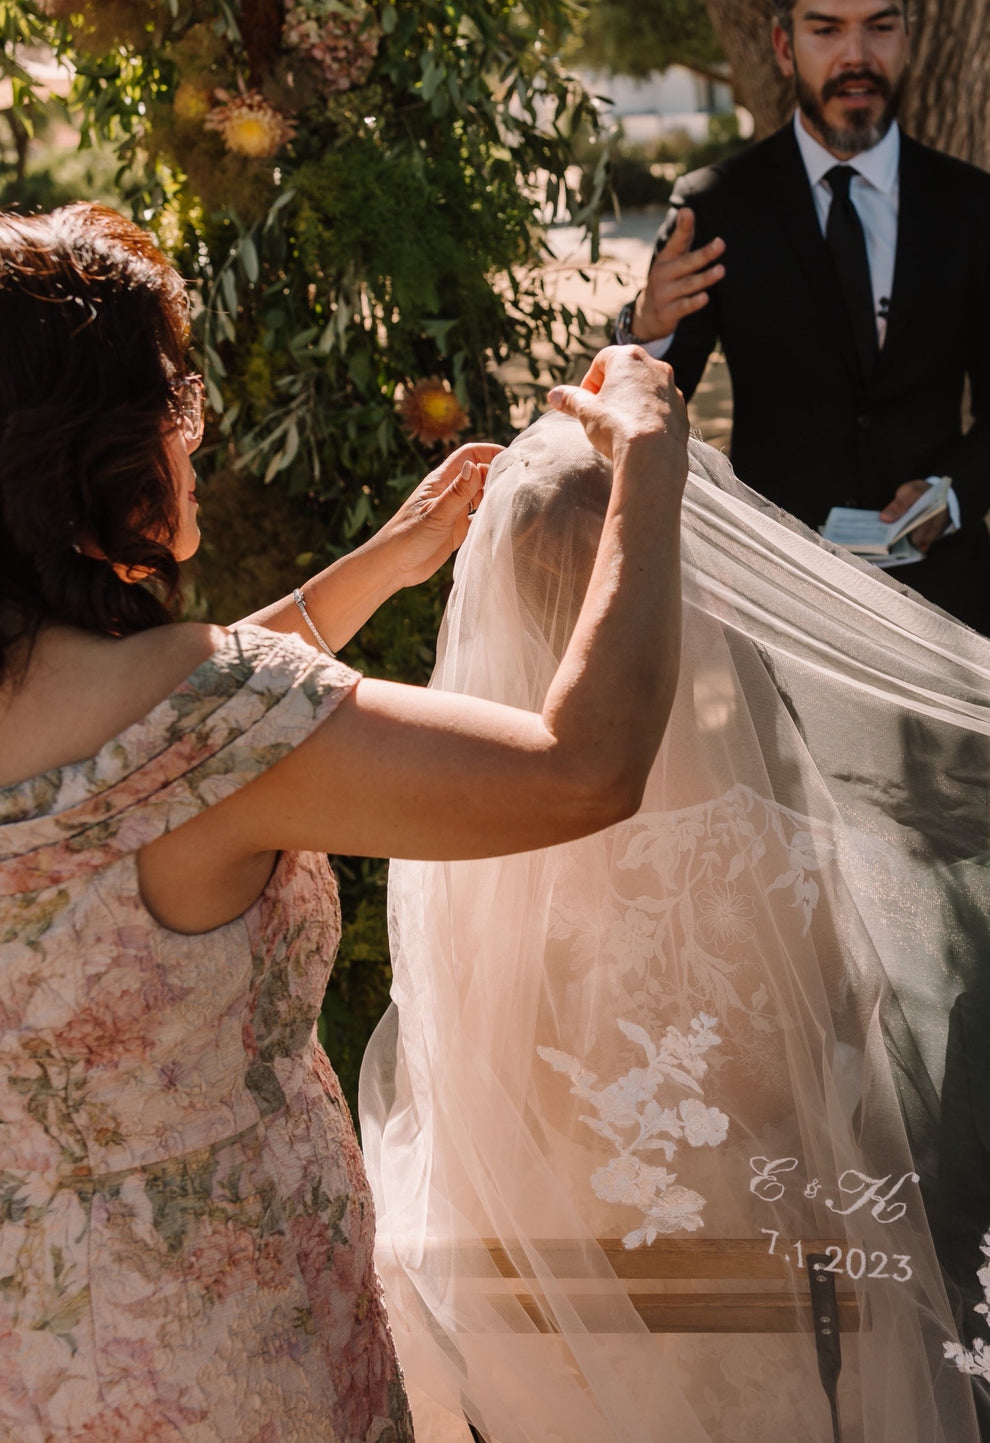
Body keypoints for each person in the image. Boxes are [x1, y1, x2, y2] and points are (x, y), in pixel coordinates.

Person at [0, 202, 689, 1442]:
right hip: (216, 1352)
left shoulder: (152, 719)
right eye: (171, 401)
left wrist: (380, 561)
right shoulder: (203, 722)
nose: (190, 437)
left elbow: (168, 744)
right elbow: (583, 769)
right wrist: (650, 465)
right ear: (89, 452)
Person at [360, 409, 990, 1443]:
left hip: (545, 1334)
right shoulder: (773, 848)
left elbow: (461, 1083)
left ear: (504, 597)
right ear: (686, 590)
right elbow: (834, 1074)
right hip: (758, 1309)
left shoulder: (459, 845)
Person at [613, 0, 990, 634]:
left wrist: (951, 497)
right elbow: (654, 400)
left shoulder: (975, 205)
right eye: (827, 29)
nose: (857, 56)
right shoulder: (715, 205)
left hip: (944, 603)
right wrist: (647, 323)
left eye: (879, 26)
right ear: (785, 48)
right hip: (781, 599)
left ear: (907, 40)